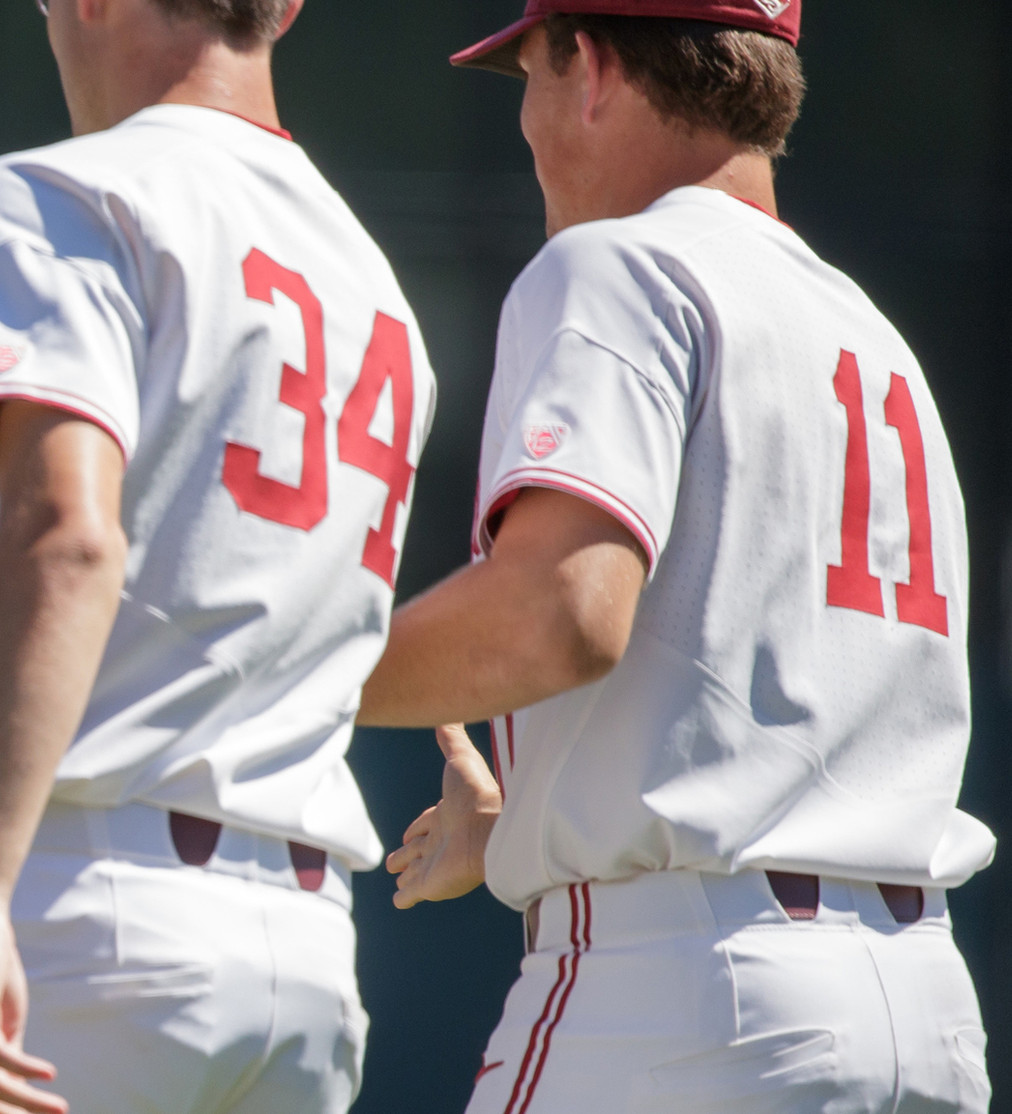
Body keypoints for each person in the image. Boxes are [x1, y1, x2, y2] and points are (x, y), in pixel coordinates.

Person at [368, 3, 995, 1111]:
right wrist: (532, 808)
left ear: (593, 67)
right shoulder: (874, 337)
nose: (526, 116)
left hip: (684, 1003)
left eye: (530, 70)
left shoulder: (617, 266)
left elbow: (559, 614)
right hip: (921, 1016)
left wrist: (262, 674)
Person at [0, 2, 439, 1112]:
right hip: (305, 955)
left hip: (85, 899)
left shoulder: (59, 194)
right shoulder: (373, 279)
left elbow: (68, 537)